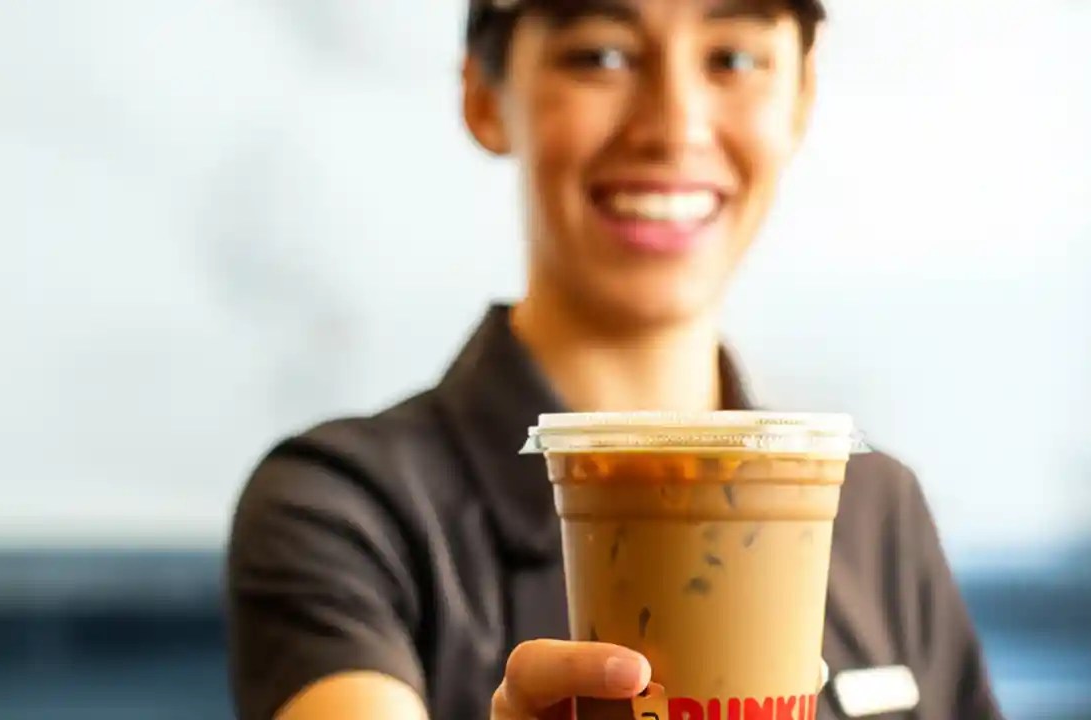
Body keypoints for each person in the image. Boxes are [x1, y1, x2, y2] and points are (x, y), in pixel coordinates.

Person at [227, 0, 1005, 718]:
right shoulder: (344, 510)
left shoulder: (876, 509)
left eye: (733, 59)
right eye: (600, 55)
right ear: (485, 96)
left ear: (802, 92)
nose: (673, 128)